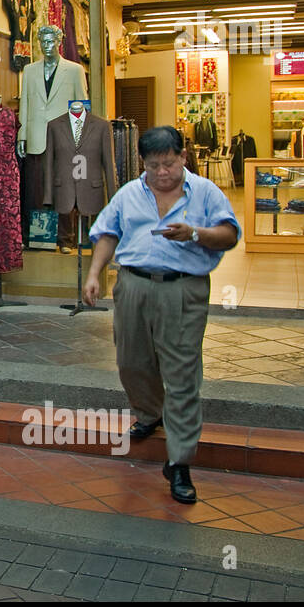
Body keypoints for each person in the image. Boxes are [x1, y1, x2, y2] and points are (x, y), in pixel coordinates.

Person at [82, 125, 241, 505]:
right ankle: (150, 412)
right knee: (131, 361)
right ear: (144, 163)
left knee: (182, 372)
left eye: (168, 164)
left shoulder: (205, 192)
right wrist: (94, 274)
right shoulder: (129, 194)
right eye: (154, 166)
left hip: (183, 289)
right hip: (134, 285)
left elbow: (230, 235)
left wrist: (196, 234)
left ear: (182, 158)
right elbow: (107, 232)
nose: (162, 173)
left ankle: (180, 461)